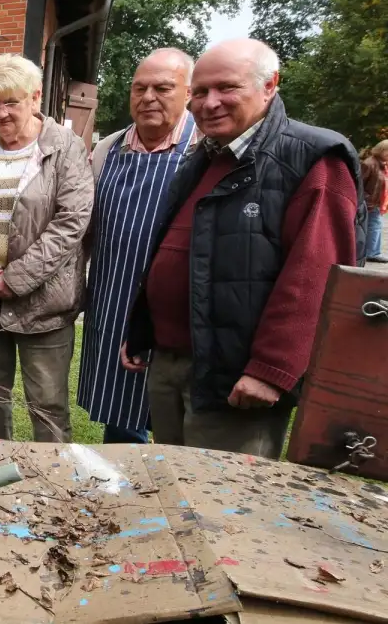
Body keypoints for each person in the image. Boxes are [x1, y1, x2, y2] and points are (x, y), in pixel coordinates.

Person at [122, 39, 367, 459]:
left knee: (222, 506)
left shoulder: (310, 159)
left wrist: (272, 371)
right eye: (199, 92)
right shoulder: (205, 157)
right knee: (169, 485)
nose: (209, 103)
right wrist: (145, 329)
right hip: (174, 360)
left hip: (236, 376)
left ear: (270, 85)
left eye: (226, 88)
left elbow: (315, 276)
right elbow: (177, 249)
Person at [0, 53, 94, 443]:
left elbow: (71, 221)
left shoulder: (66, 148)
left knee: (47, 404)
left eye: (11, 102)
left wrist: (16, 278)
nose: (1, 113)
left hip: (43, 302)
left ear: (35, 97)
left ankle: (53, 480)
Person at [78, 49, 199, 445]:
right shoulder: (107, 150)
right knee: (121, 400)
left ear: (189, 93)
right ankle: (123, 480)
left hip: (175, 305)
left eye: (163, 88)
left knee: (174, 413)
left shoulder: (204, 148)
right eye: (139, 88)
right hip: (113, 293)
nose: (148, 97)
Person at [365, 140, 388, 262]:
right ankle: (372, 253)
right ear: (382, 150)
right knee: (374, 226)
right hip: (371, 203)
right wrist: (367, 199)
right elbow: (359, 184)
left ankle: (373, 251)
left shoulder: (382, 164)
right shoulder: (370, 164)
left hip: (378, 202)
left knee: (376, 226)